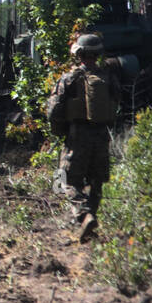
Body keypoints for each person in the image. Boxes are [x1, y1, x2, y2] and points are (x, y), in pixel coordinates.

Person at [46, 33, 121, 243]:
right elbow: (117, 102)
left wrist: (60, 131)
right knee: (96, 181)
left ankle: (84, 214)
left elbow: (54, 110)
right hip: (102, 136)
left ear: (78, 54)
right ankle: (91, 221)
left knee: (67, 180)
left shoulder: (69, 78)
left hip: (77, 135)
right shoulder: (109, 78)